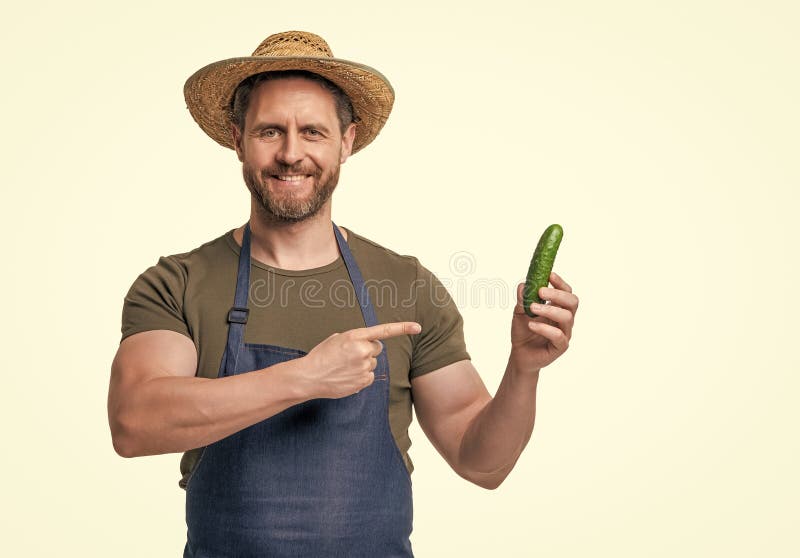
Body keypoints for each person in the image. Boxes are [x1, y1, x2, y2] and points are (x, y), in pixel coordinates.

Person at [107, 30, 579, 558]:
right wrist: (305, 377)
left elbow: (482, 464)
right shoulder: (178, 283)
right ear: (237, 139)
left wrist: (523, 370)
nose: (291, 153)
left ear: (346, 142)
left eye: (312, 131)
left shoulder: (407, 286)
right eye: (269, 131)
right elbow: (134, 422)